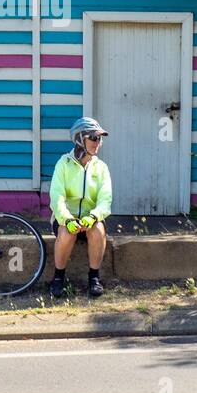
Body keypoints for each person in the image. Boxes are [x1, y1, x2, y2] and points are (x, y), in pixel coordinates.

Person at [48, 116, 113, 298]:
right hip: (66, 220)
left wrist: (93, 217)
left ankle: (94, 278)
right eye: (93, 137)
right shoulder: (63, 164)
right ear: (79, 139)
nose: (97, 142)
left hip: (91, 219)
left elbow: (105, 199)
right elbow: (56, 197)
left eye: (99, 138)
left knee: (97, 230)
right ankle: (58, 278)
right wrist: (67, 219)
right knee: (67, 232)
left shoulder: (101, 167)